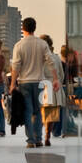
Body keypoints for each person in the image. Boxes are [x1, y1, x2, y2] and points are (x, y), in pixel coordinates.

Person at [10, 16, 57, 148]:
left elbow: (16, 67)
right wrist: (56, 79)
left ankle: (30, 140)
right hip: (39, 82)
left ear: (22, 28)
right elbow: (51, 61)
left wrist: (13, 83)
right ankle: (38, 139)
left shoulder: (18, 45)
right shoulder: (43, 44)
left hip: (24, 82)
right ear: (34, 28)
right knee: (37, 111)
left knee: (28, 112)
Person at [41, 35, 66, 144]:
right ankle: (47, 136)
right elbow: (61, 74)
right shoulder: (56, 57)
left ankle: (38, 135)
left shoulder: (40, 57)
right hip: (55, 87)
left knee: (40, 113)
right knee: (51, 115)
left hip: (43, 86)